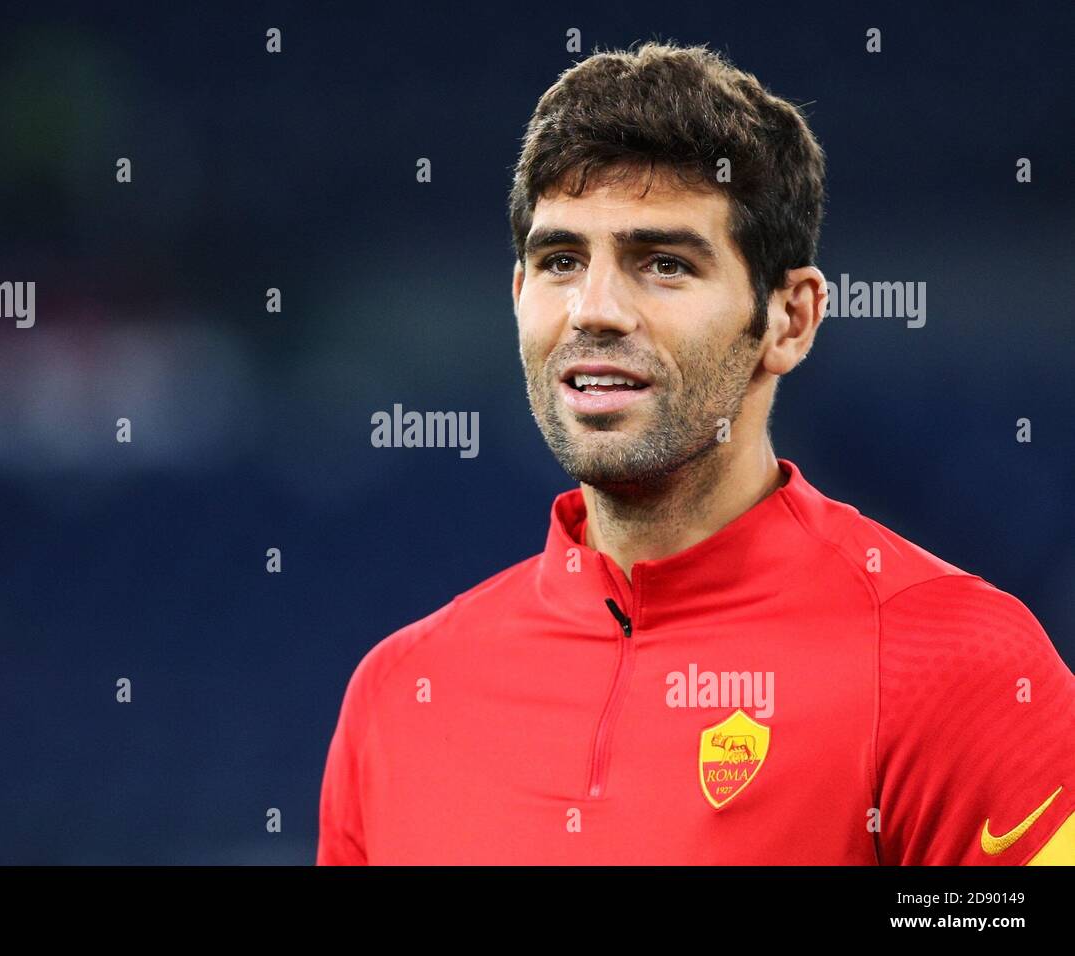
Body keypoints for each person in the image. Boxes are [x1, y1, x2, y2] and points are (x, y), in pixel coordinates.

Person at [317, 41, 1075, 865]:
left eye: (665, 264)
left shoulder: (957, 665)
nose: (594, 310)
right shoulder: (400, 695)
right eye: (561, 261)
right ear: (518, 297)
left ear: (791, 319)